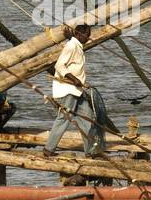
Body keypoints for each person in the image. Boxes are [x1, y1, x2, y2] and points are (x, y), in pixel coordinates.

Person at [43, 24, 113, 157]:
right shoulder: (72, 46)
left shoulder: (76, 45)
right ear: (79, 35)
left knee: (88, 118)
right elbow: (59, 65)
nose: (88, 38)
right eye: (87, 35)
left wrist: (77, 82)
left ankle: (91, 151)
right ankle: (48, 149)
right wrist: (73, 79)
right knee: (64, 118)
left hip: (77, 91)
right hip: (67, 90)